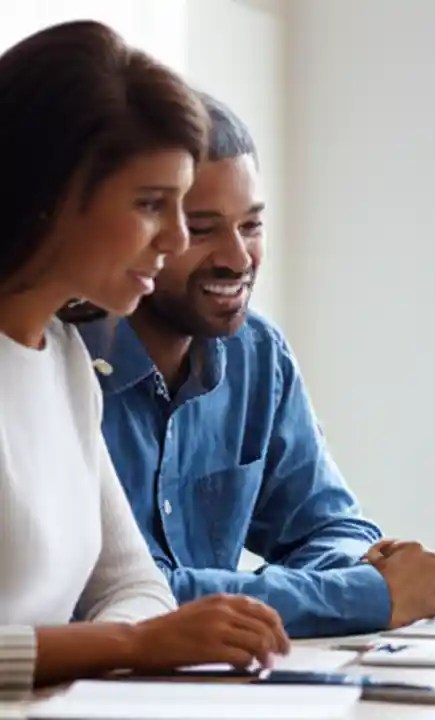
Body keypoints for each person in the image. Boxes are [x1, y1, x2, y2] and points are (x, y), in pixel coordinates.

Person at [79, 94, 435, 638]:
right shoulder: (69, 363)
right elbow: (129, 594)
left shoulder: (257, 352)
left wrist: (357, 577)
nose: (237, 257)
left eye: (251, 226)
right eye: (202, 229)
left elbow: (331, 527)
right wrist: (358, 595)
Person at [0, 21, 288, 698]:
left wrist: (134, 637)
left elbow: (134, 583)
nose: (178, 239)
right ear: (50, 197)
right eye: (152, 205)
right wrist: (130, 643)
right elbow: (136, 623)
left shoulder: (65, 358)